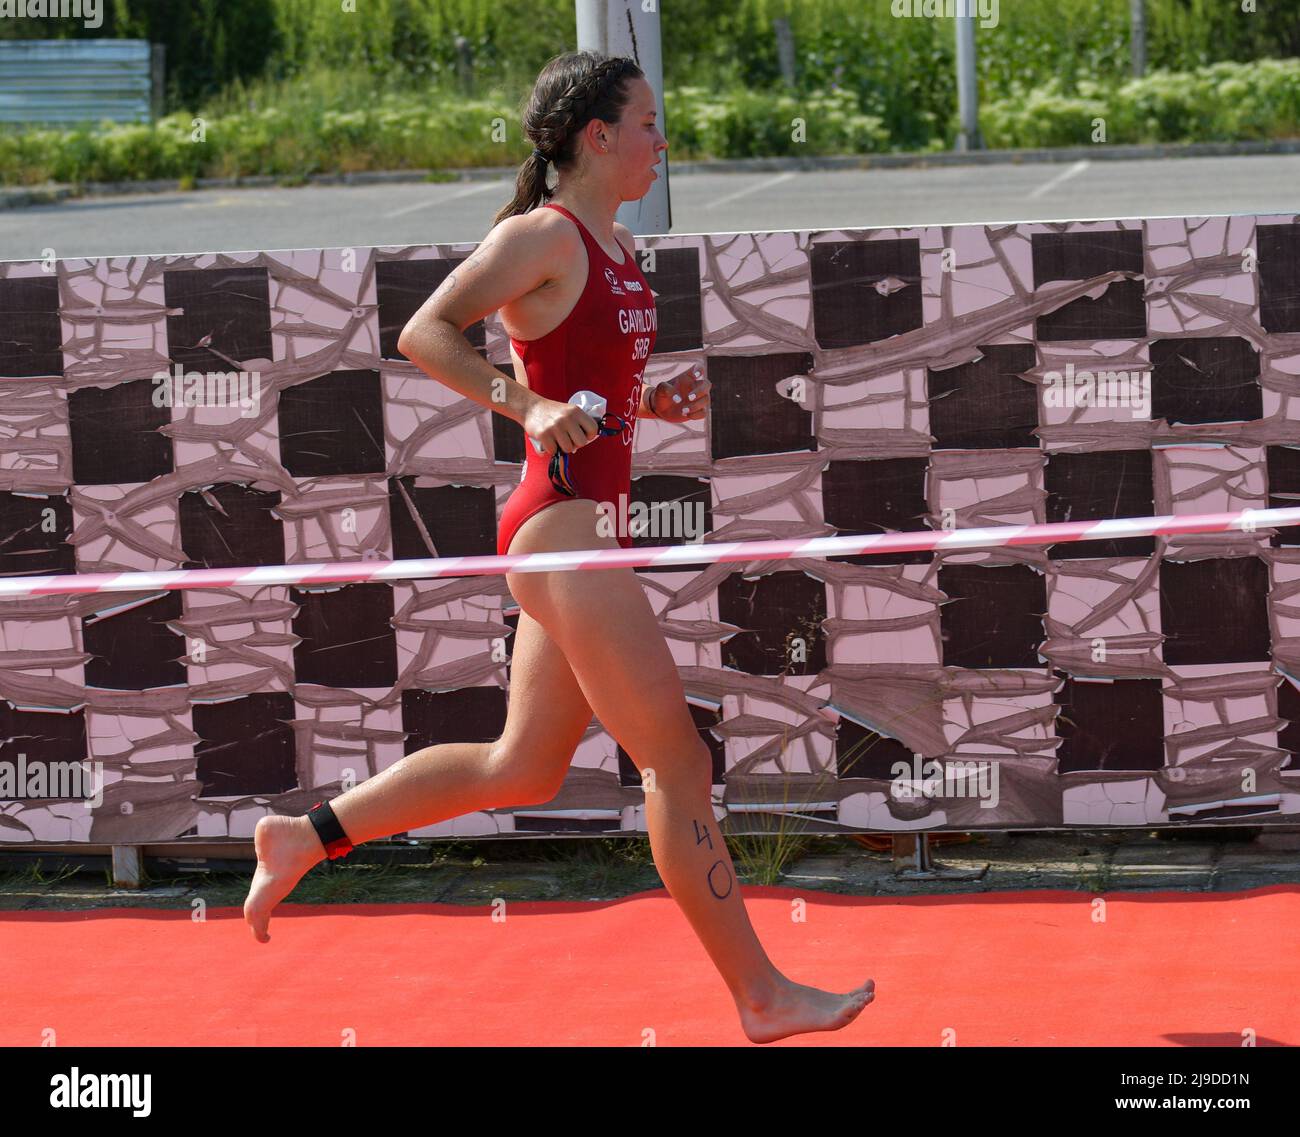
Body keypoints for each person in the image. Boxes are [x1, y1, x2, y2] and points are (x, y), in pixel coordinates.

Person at [243, 49, 873, 1044]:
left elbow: (588, 387)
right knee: (674, 761)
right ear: (596, 136)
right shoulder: (545, 233)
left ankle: (301, 837)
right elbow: (426, 329)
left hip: (576, 528)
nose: (662, 143)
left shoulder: (617, 251)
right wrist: (523, 402)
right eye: (650, 124)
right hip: (559, 531)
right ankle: (759, 994)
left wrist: (647, 406)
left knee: (519, 768)